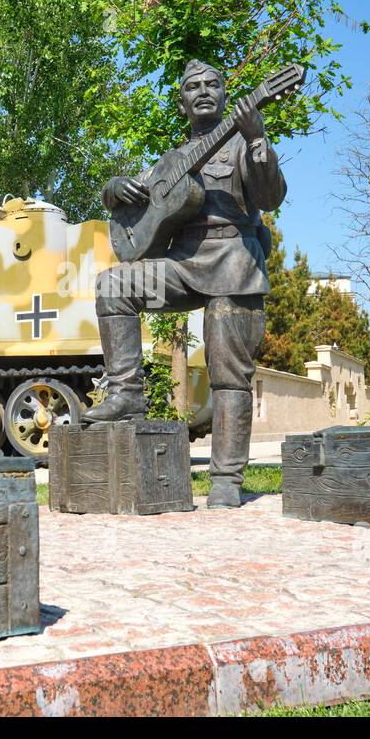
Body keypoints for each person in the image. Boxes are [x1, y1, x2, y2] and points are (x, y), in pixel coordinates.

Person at [84, 60, 286, 507]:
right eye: (193, 86)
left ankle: (226, 481)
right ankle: (126, 394)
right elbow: (136, 201)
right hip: (182, 262)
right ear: (182, 102)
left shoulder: (241, 144)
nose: (203, 91)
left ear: (226, 95)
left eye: (212, 84)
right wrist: (113, 189)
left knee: (228, 374)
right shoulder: (172, 159)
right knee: (112, 285)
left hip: (233, 260)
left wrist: (257, 138)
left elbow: (271, 197)